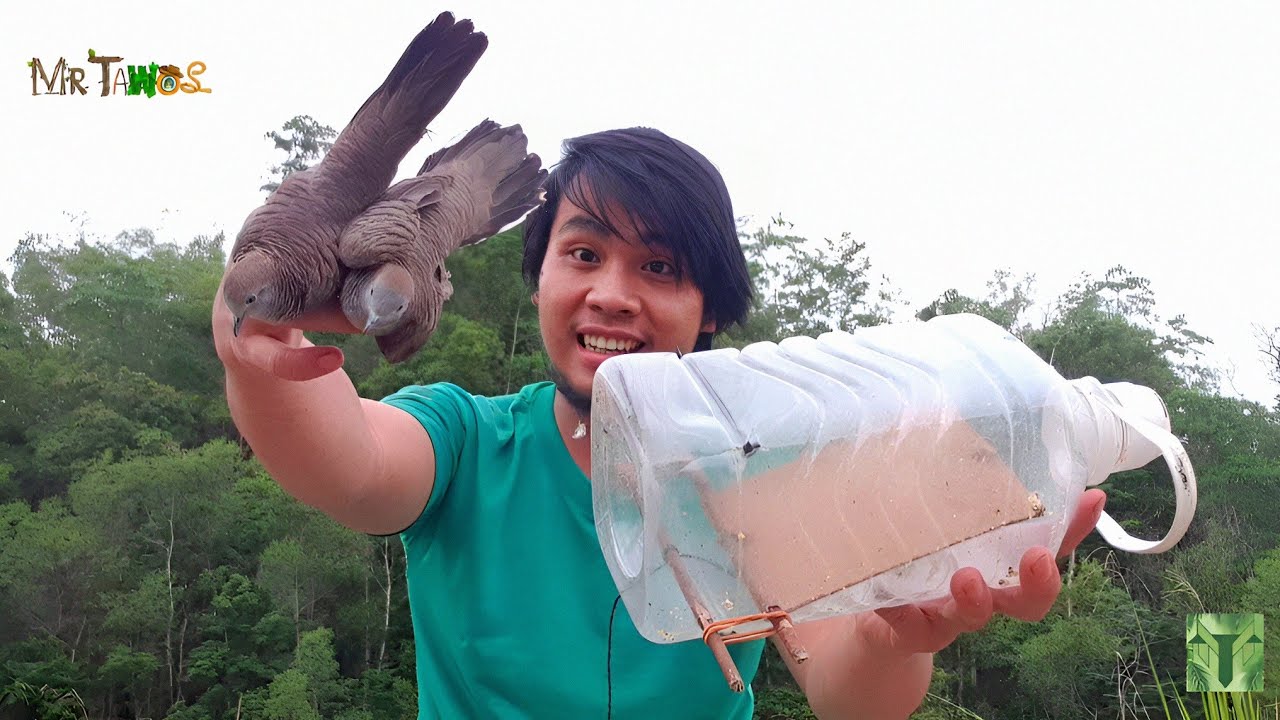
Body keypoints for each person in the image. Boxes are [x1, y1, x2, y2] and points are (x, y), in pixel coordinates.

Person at [212, 127, 1107, 719]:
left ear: (707, 309)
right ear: (542, 280)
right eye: (585, 253)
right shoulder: (467, 445)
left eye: (662, 267)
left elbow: (850, 692)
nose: (612, 294)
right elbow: (344, 459)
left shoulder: (764, 483)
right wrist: (260, 315)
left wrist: (887, 629)